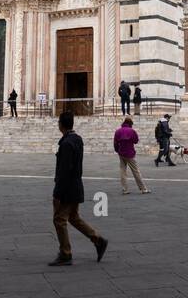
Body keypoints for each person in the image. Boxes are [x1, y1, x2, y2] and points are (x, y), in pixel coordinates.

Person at [49, 110, 108, 266]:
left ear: (60, 125)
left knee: (59, 219)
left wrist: (57, 193)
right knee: (73, 217)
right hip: (76, 185)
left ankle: (65, 253)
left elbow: (64, 171)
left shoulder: (67, 143)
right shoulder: (77, 140)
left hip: (68, 188)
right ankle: (98, 240)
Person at [113, 117, 149, 194]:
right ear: (130, 124)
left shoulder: (118, 131)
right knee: (136, 171)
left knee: (123, 171)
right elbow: (136, 141)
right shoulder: (132, 131)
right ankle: (143, 188)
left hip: (121, 153)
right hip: (130, 153)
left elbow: (115, 143)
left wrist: (117, 150)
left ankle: (125, 189)